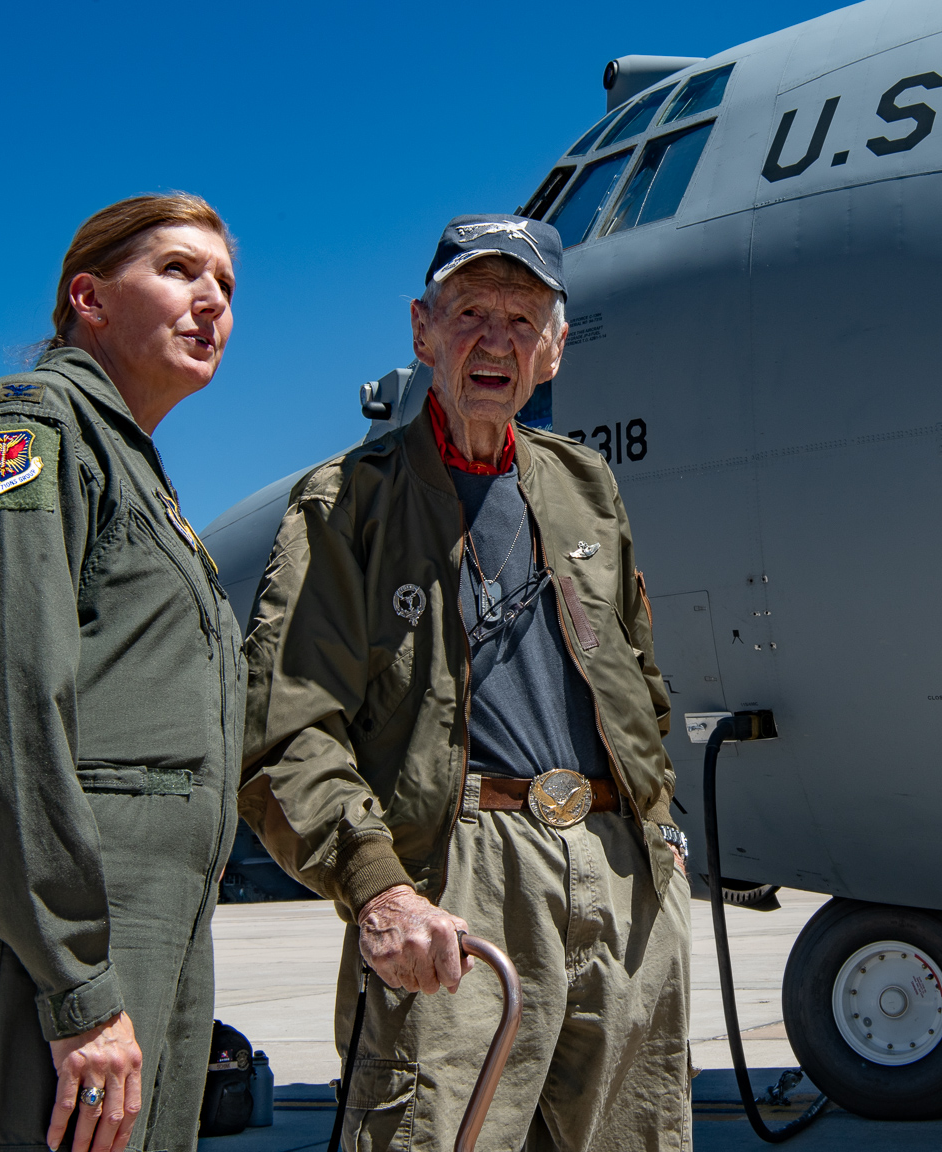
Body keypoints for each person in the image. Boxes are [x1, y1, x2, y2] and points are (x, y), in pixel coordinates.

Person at [240, 215, 691, 1151]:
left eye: (523, 319)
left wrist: (658, 827)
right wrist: (379, 889)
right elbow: (287, 730)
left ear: (556, 348)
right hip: (459, 874)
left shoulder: (587, 488)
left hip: (619, 870)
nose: (496, 341)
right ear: (422, 330)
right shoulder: (347, 503)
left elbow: (639, 672)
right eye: (470, 312)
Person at [0, 193, 246, 1152]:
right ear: (87, 296)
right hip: (35, 963)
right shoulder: (29, 431)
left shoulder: (139, 477)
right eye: (177, 270)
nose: (210, 299)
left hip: (131, 949)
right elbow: (0, 722)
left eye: (225, 285)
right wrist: (77, 987)